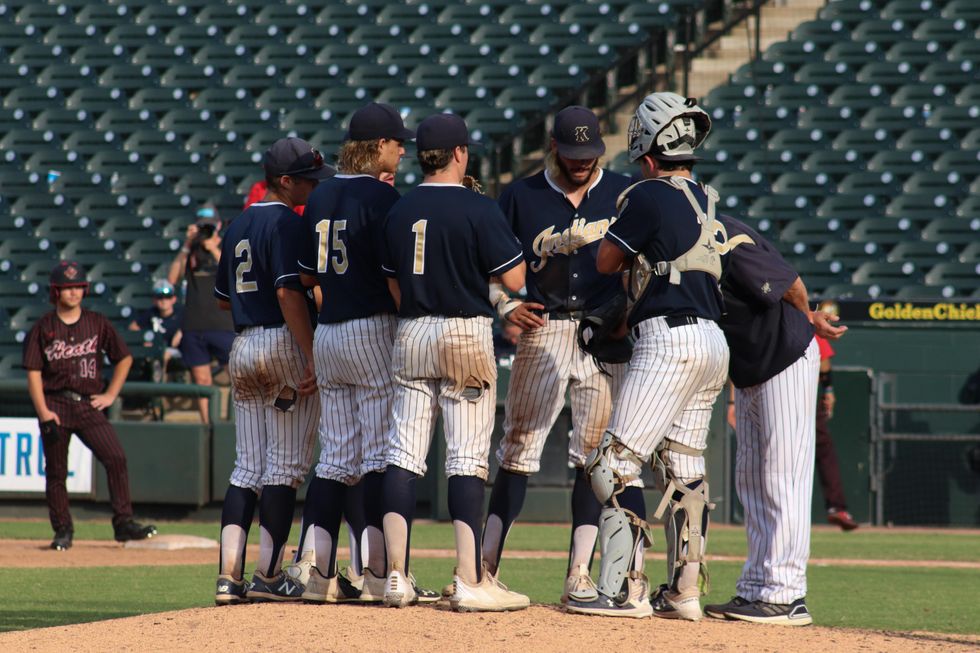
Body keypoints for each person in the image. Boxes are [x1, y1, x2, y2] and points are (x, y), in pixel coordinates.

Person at [565, 92, 731, 620]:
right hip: (713, 341)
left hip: (669, 340)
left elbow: (607, 259)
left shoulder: (647, 194)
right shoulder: (707, 196)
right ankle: (684, 592)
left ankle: (623, 591)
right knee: (685, 471)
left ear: (647, 145)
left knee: (613, 465)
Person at [480, 106, 636, 605]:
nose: (581, 162)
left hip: (604, 332)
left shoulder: (623, 193)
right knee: (517, 451)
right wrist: (505, 303)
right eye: (572, 153)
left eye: (589, 153)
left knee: (593, 457)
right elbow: (486, 265)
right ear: (553, 147)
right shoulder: (521, 195)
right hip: (544, 328)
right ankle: (484, 569)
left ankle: (579, 575)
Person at [379, 113, 530, 612]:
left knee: (403, 454)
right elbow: (515, 280)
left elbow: (393, 283)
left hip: (412, 330)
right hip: (464, 332)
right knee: (466, 458)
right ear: (460, 153)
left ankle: (395, 576)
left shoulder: (399, 208)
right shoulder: (478, 206)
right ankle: (469, 578)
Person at [293, 102, 438, 604]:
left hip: (329, 332)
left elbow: (306, 277)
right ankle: (378, 573)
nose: (402, 151)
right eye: (398, 143)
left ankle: (317, 574)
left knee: (334, 460)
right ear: (378, 146)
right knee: (378, 457)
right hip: (372, 327)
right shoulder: (382, 196)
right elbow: (397, 274)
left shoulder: (320, 195)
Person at [704, 207, 848, 625]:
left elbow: (789, 281)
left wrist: (805, 316)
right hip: (751, 368)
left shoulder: (720, 232)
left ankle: (786, 595)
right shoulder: (677, 238)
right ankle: (756, 588)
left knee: (783, 477)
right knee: (751, 479)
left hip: (785, 356)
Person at [211, 137, 332, 606]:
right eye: (306, 179)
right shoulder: (288, 223)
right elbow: (287, 293)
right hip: (283, 341)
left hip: (243, 344)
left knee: (247, 468)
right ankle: (269, 575)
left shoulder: (237, 225)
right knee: (283, 468)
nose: (312, 187)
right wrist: (311, 353)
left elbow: (224, 300)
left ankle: (228, 578)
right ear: (284, 181)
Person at [23, 261, 157, 551]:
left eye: (78, 287)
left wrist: (111, 394)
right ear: (56, 291)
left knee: (116, 458)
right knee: (56, 472)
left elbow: (124, 358)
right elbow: (33, 372)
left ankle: (123, 523)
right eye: (67, 287)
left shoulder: (97, 322)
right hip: (55, 403)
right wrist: (43, 412)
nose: (73, 292)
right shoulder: (43, 327)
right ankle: (63, 530)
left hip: (87, 404)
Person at [168, 207, 236, 424]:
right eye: (202, 225)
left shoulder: (225, 245)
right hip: (194, 323)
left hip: (222, 323)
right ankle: (208, 425)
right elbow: (172, 279)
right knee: (201, 380)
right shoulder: (190, 250)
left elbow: (234, 273)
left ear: (218, 225)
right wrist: (187, 245)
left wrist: (214, 249)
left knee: (238, 377)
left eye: (209, 225)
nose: (206, 229)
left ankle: (237, 424)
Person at [815, 333, 859, 531]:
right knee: (824, 451)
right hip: (803, 399)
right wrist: (828, 390)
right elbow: (823, 361)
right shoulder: (805, 320)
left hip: (761, 394)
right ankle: (836, 507)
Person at [127, 279, 183, 375]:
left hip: (178, 350)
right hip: (155, 349)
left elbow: (195, 327)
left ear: (174, 299)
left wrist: (182, 331)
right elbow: (133, 327)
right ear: (154, 300)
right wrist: (143, 340)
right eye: (160, 297)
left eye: (167, 297)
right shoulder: (151, 313)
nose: (164, 300)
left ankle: (162, 380)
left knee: (165, 354)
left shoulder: (181, 313)